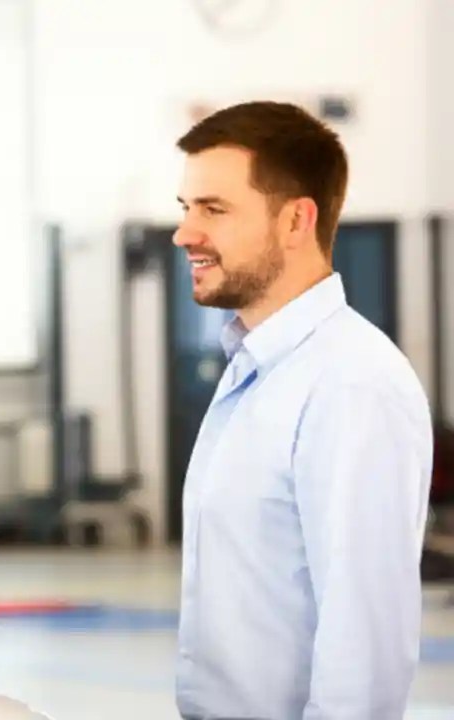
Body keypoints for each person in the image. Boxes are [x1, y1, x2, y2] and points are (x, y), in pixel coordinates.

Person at [172, 100, 433, 719]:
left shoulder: (351, 385)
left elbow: (364, 648)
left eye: (214, 209)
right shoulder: (255, 370)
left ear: (296, 221)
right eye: (185, 209)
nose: (185, 233)